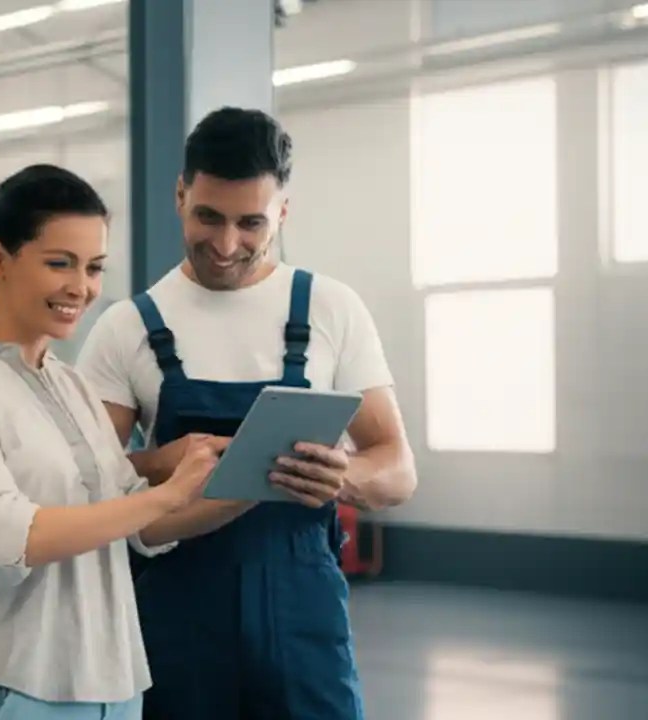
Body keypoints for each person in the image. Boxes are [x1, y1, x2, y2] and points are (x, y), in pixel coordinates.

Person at [76, 107, 419, 719]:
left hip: (303, 614)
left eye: (251, 223)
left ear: (282, 212)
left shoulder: (331, 310)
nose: (226, 244)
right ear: (181, 194)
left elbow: (397, 470)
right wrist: (165, 461)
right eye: (208, 216)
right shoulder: (126, 329)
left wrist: (344, 474)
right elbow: (84, 484)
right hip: (177, 616)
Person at [0, 163, 229, 720]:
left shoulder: (70, 381)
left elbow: (140, 526)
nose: (82, 287)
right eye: (60, 263)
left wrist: (258, 476)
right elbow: (5, 537)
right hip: (16, 689)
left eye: (94, 267)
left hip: (115, 686)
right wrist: (162, 494)